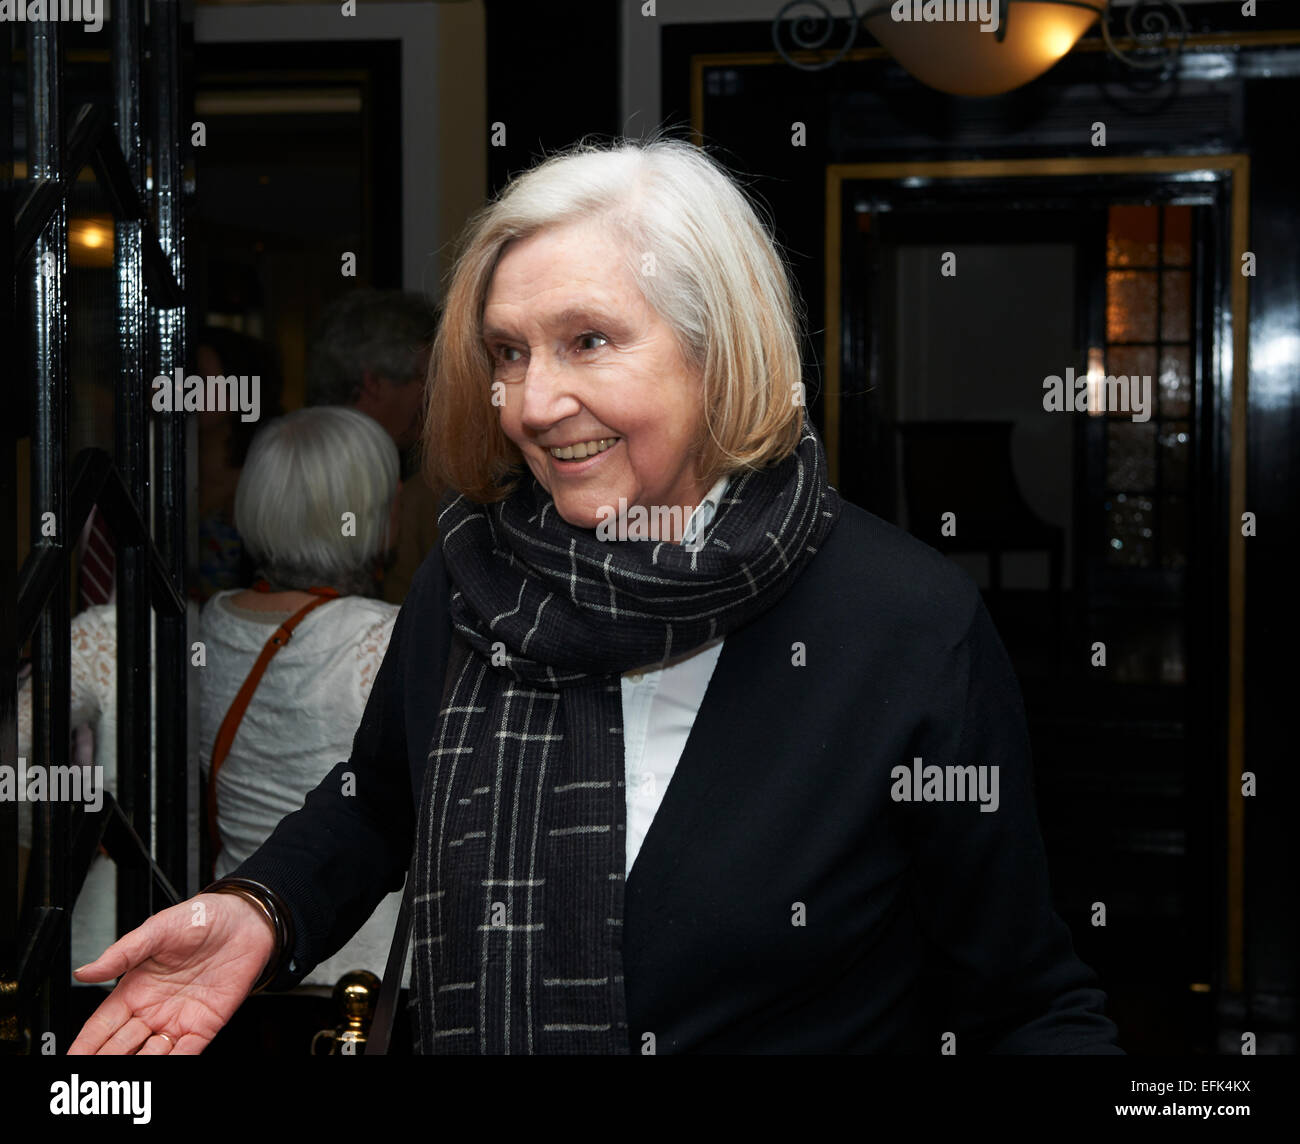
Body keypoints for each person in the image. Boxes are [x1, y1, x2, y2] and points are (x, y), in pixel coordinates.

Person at [69, 136, 1123, 1055]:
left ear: (716, 349)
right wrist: (262, 907)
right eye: (508, 352)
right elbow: (381, 799)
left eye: (588, 340)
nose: (531, 402)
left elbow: (1023, 1000)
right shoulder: (468, 578)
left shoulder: (902, 622)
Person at [198, 405, 407, 991]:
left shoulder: (208, 625)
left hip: (244, 954)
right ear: (373, 515)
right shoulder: (389, 636)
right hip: (372, 973)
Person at [304, 289, 442, 605]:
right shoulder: (317, 482)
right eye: (423, 378)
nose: (432, 394)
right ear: (374, 385)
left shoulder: (414, 474)